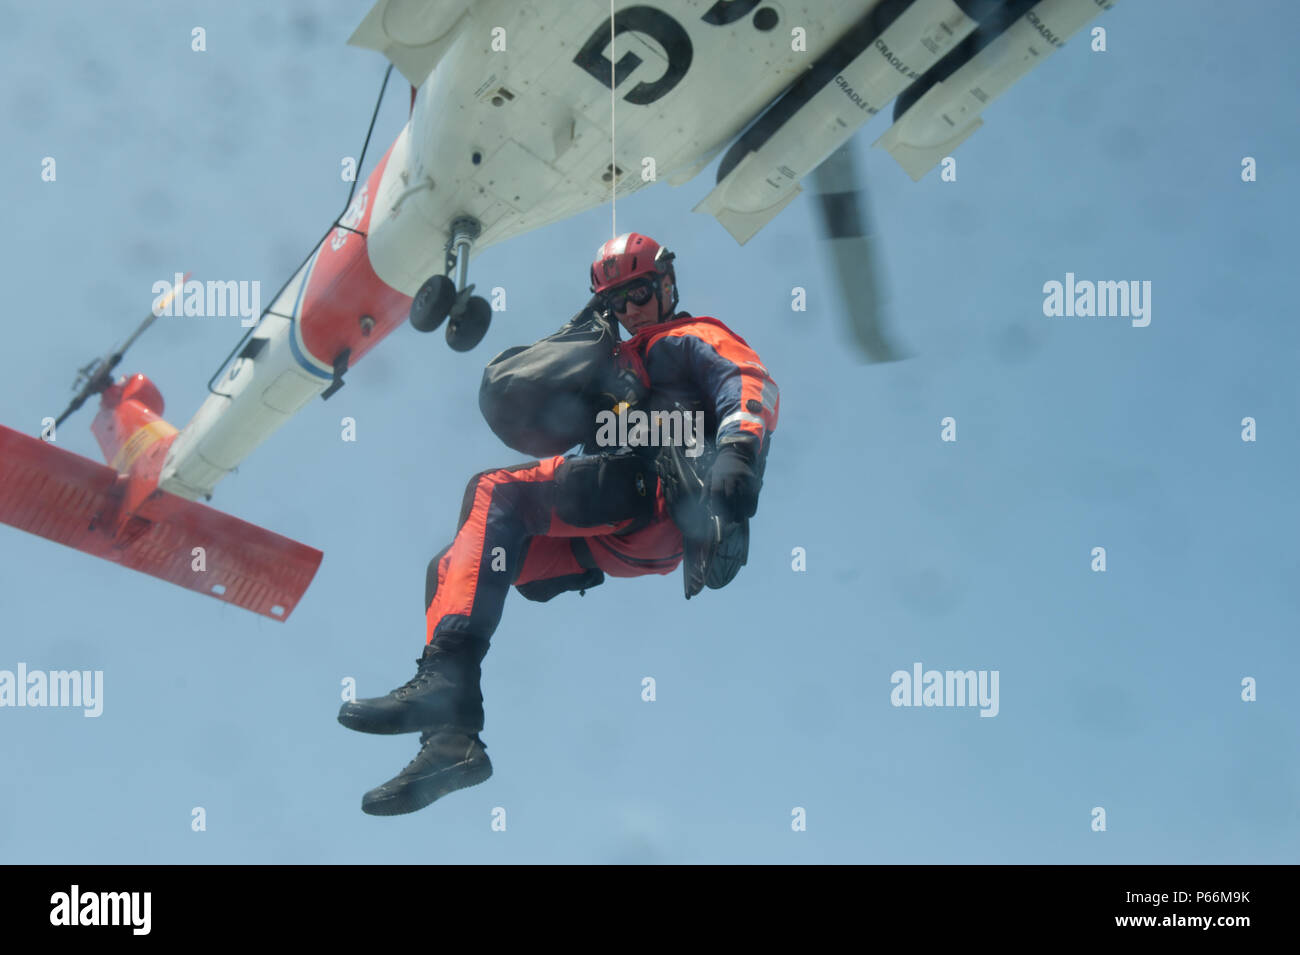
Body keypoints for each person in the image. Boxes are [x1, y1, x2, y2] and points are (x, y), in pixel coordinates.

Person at [338, 232, 780, 815]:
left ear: (667, 284)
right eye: (616, 303)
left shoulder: (685, 337)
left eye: (639, 293)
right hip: (615, 540)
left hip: (655, 492)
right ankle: (451, 741)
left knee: (495, 493)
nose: (629, 311)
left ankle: (444, 684)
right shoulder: (614, 362)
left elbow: (747, 380)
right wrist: (586, 334)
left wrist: (739, 453)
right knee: (451, 568)